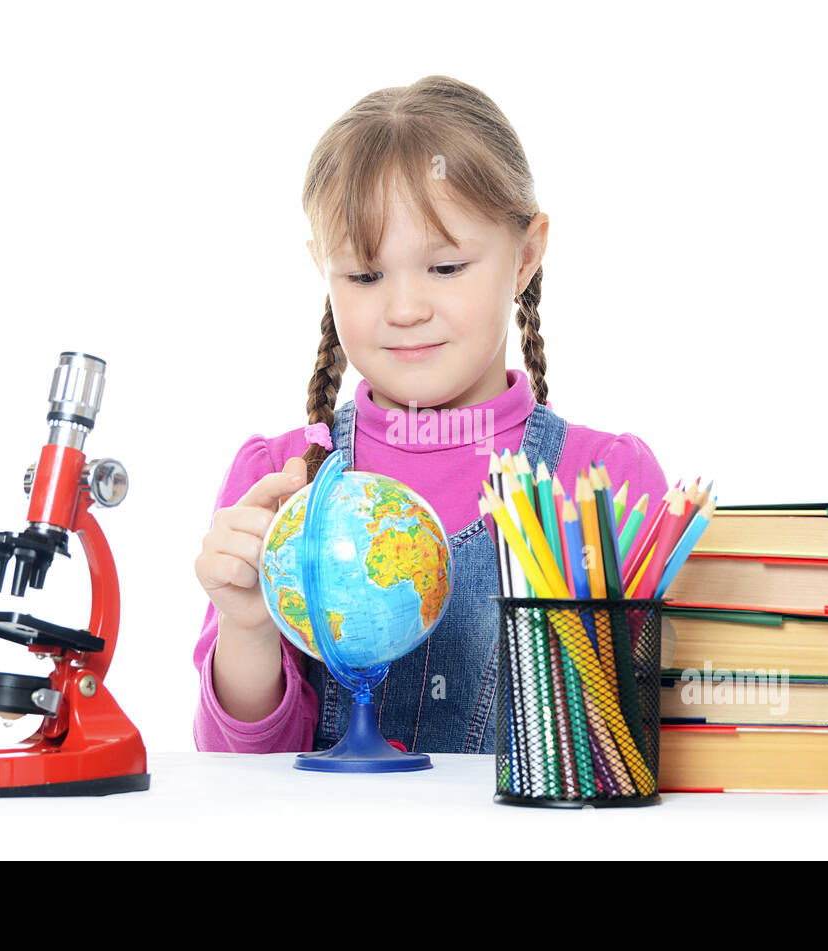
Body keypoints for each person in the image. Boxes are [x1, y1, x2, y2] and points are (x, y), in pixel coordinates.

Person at [193, 75, 668, 755]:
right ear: (322, 270)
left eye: (446, 267)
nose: (406, 308)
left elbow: (649, 744)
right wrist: (247, 628)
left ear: (528, 254)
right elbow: (238, 767)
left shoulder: (602, 481)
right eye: (364, 276)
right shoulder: (276, 478)